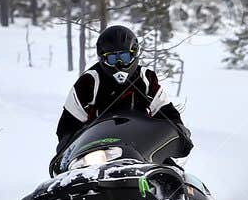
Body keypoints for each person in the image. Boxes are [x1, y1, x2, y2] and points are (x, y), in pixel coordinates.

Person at [53, 24, 191, 170]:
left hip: (143, 149)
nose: (119, 64)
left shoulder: (146, 78)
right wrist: (66, 152)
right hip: (99, 151)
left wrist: (179, 133)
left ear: (134, 54)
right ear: (103, 58)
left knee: (175, 175)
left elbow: (167, 113)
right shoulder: (89, 82)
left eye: (124, 57)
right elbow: (67, 126)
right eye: (112, 58)